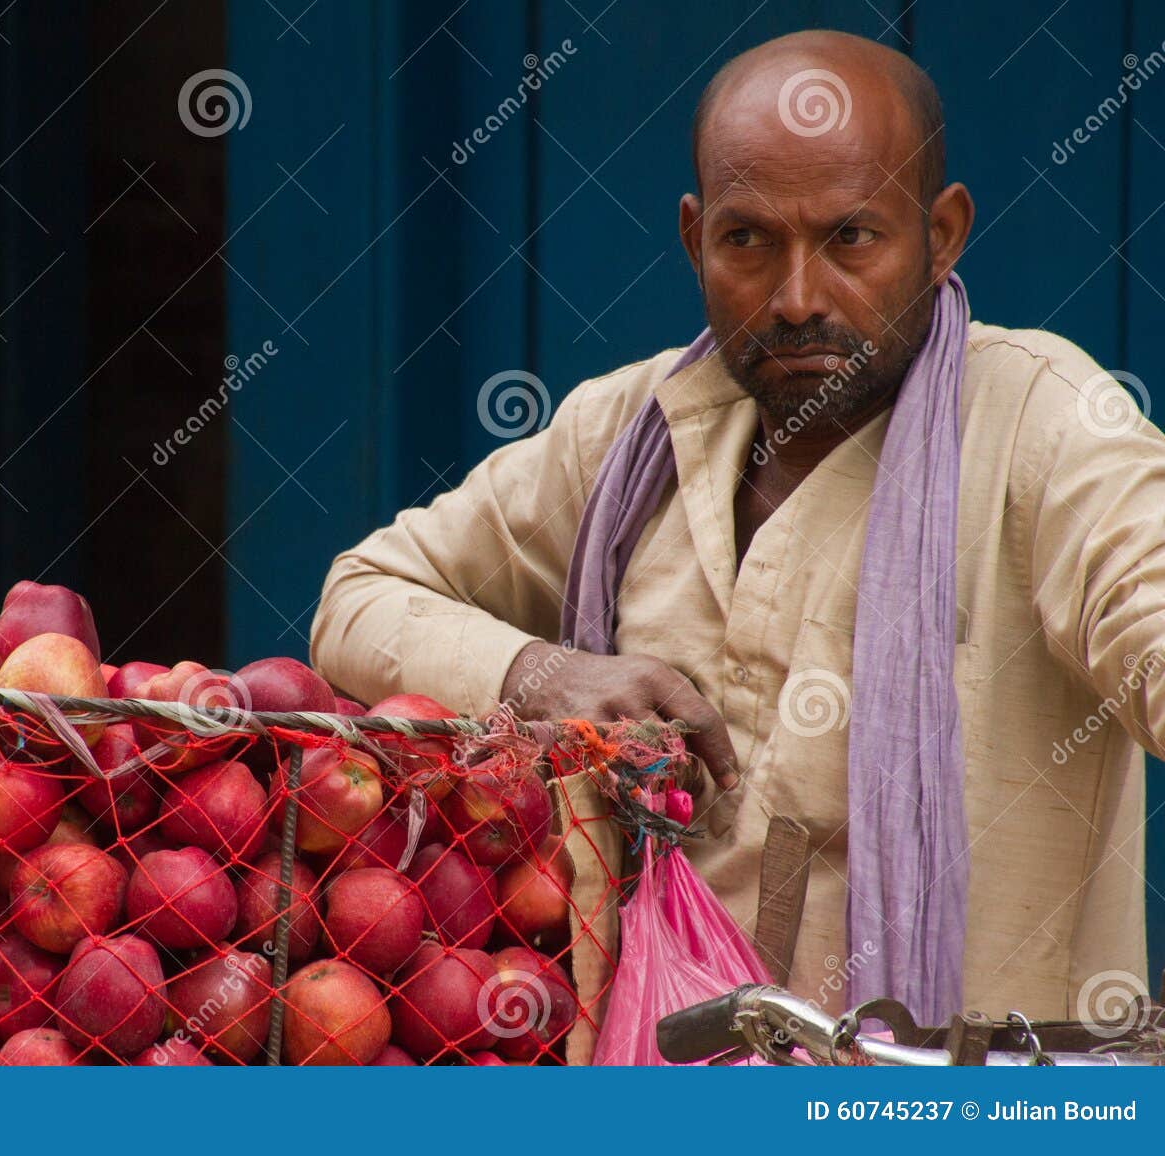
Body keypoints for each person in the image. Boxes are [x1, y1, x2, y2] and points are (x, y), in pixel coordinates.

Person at [310, 29, 1154, 1022]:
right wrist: (543, 674)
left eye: (851, 238)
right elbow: (359, 598)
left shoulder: (1041, 425)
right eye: (749, 240)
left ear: (943, 233)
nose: (798, 298)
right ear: (692, 236)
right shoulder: (625, 434)